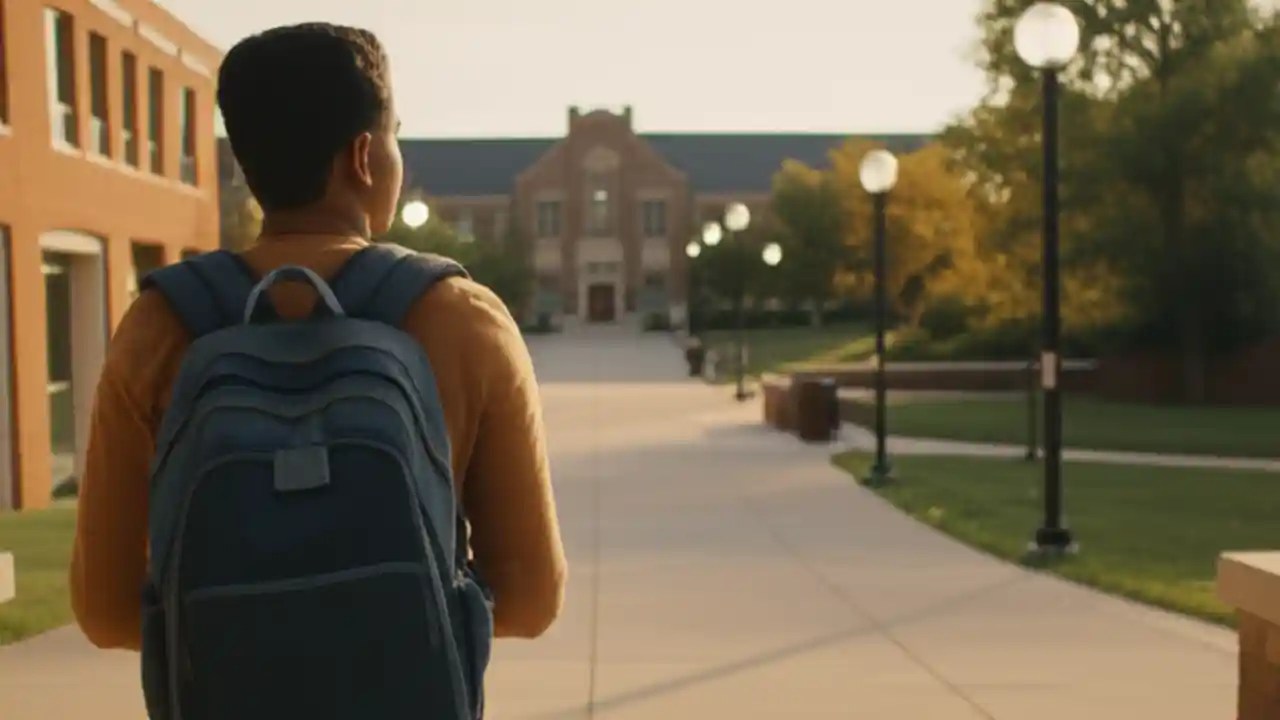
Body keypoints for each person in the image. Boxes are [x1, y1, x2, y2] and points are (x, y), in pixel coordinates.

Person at [69, 22, 566, 657]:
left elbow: (105, 611)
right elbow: (530, 599)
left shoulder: (159, 325)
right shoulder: (461, 318)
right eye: (395, 139)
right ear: (363, 157)